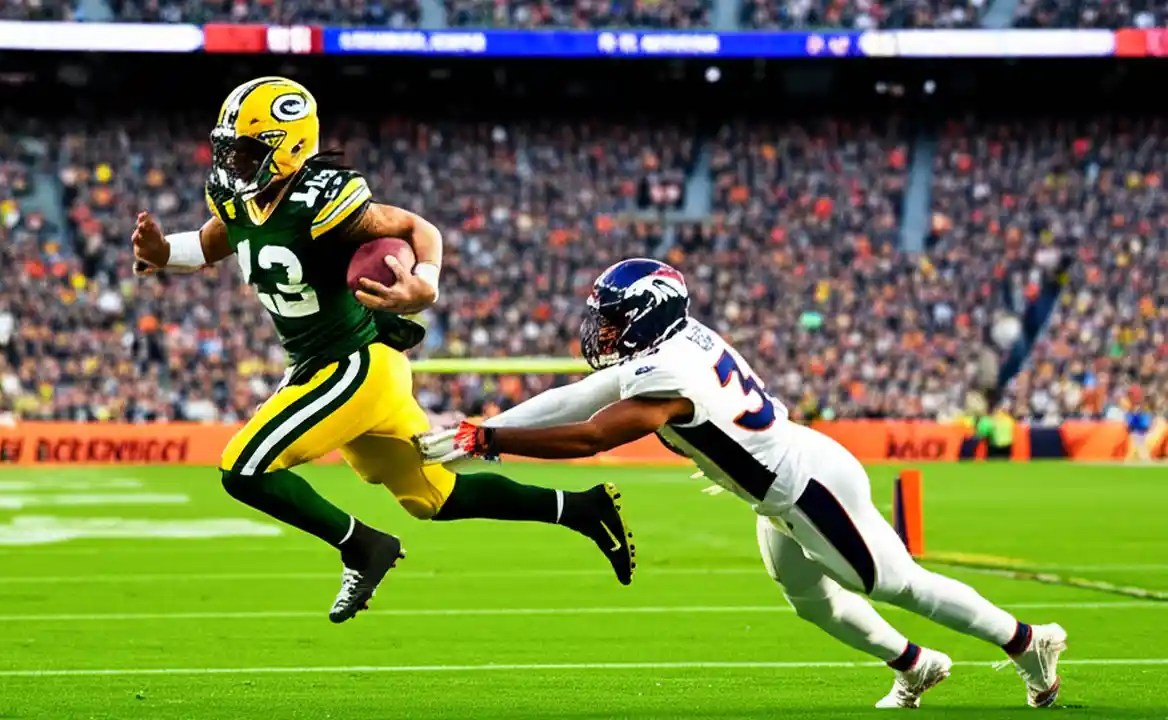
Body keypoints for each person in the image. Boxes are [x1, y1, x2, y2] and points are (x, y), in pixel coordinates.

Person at [418, 258, 1067, 709]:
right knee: (811, 601)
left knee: (892, 583)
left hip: (805, 488)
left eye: (613, 316)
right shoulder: (669, 344)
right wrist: (483, 429)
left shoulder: (666, 375)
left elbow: (592, 434)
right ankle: (914, 664)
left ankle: (1028, 641)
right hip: (784, 482)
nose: (603, 330)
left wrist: (490, 440)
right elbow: (578, 395)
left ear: (647, 315)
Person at [130, 76, 634, 624]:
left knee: (244, 469)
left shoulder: (321, 198)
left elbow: (419, 227)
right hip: (335, 370)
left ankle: (362, 546)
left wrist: (426, 282)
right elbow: (210, 244)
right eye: (230, 149)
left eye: (250, 150)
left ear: (292, 146)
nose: (235, 162)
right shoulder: (240, 202)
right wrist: (164, 252)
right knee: (436, 498)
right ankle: (582, 509)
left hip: (352, 366)